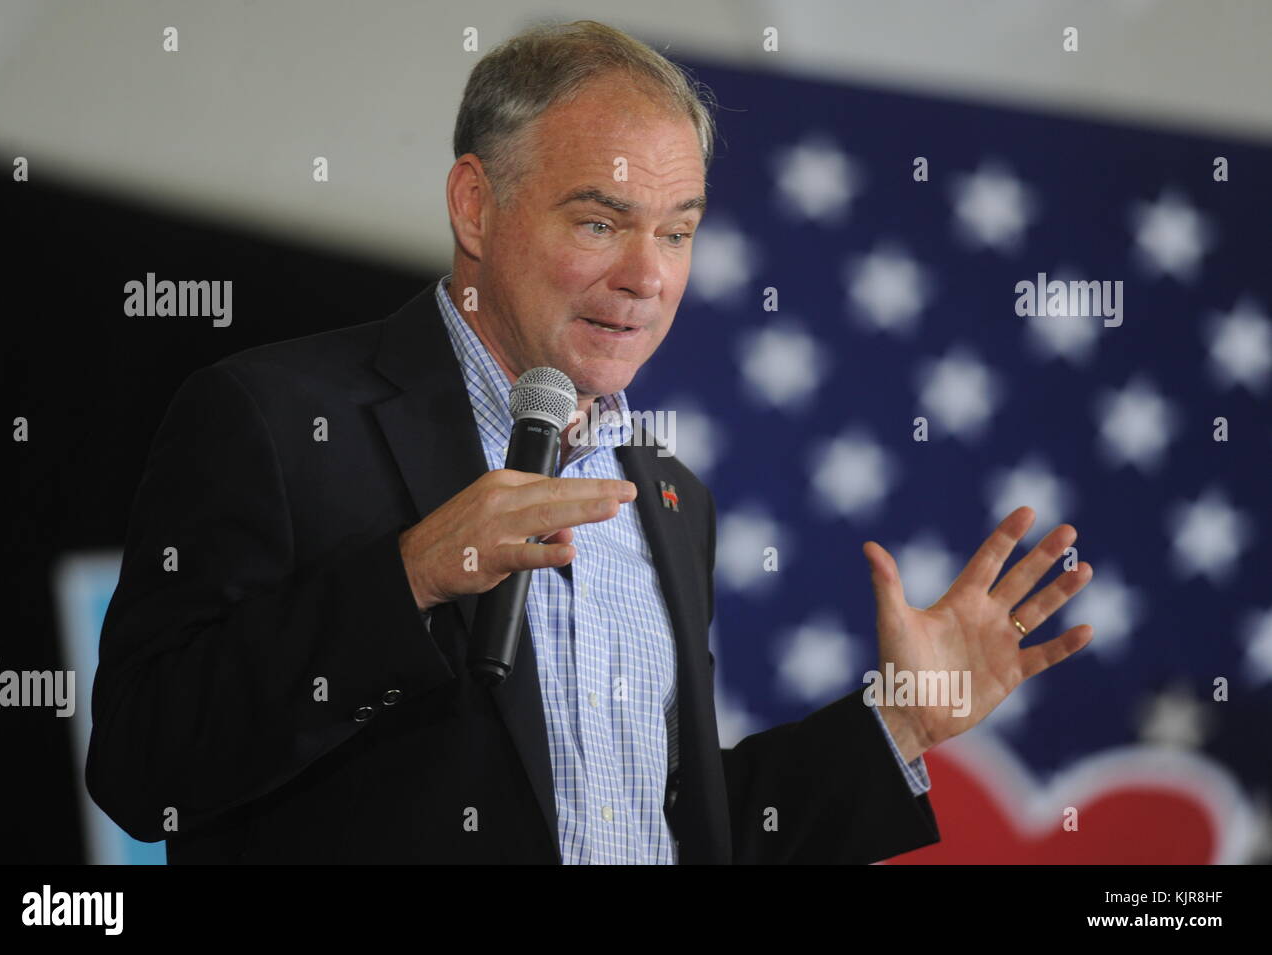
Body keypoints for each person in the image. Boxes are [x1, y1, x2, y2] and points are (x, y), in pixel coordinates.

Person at [86, 19, 1093, 864]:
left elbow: (663, 828)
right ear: (475, 205)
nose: (647, 277)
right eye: (602, 222)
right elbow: (141, 766)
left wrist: (900, 724)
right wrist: (410, 580)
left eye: (678, 229)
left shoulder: (667, 495)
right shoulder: (275, 420)